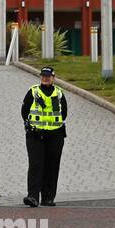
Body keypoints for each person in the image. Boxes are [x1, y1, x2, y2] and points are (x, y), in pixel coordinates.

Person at [22, 66, 67, 207]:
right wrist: (30, 126)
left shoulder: (59, 93)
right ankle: (32, 196)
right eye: (43, 76)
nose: (45, 78)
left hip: (55, 135)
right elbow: (24, 111)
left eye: (48, 76)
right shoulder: (33, 91)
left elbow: (64, 113)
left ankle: (48, 198)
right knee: (36, 165)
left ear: (53, 78)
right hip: (36, 135)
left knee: (52, 166)